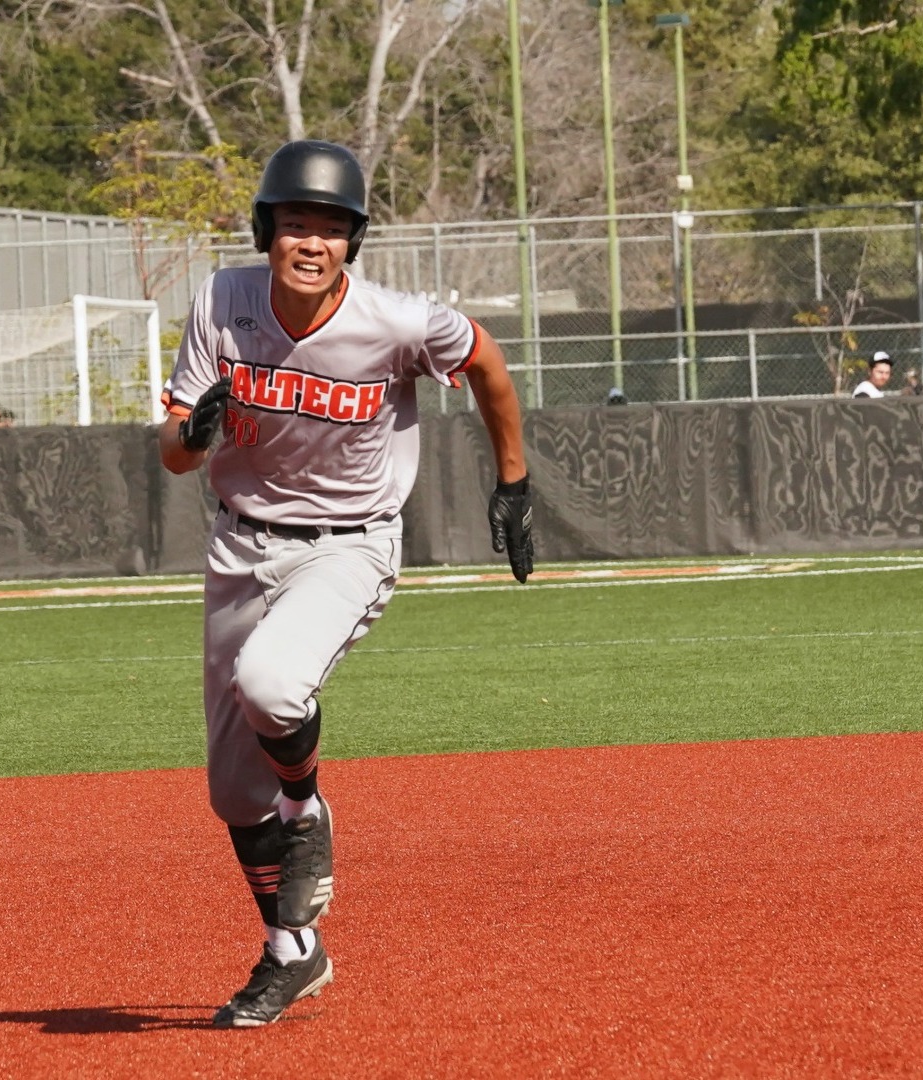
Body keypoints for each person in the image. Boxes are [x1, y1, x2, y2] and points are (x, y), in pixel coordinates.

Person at [161, 140, 533, 1028]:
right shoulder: (221, 302)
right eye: (295, 224)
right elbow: (174, 453)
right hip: (239, 546)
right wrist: (194, 435)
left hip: (348, 544)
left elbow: (485, 360)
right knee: (231, 795)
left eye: (331, 228)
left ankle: (306, 806)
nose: (312, 243)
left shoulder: (395, 322)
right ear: (266, 231)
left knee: (271, 685)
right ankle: (292, 951)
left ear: (352, 241)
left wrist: (514, 481)